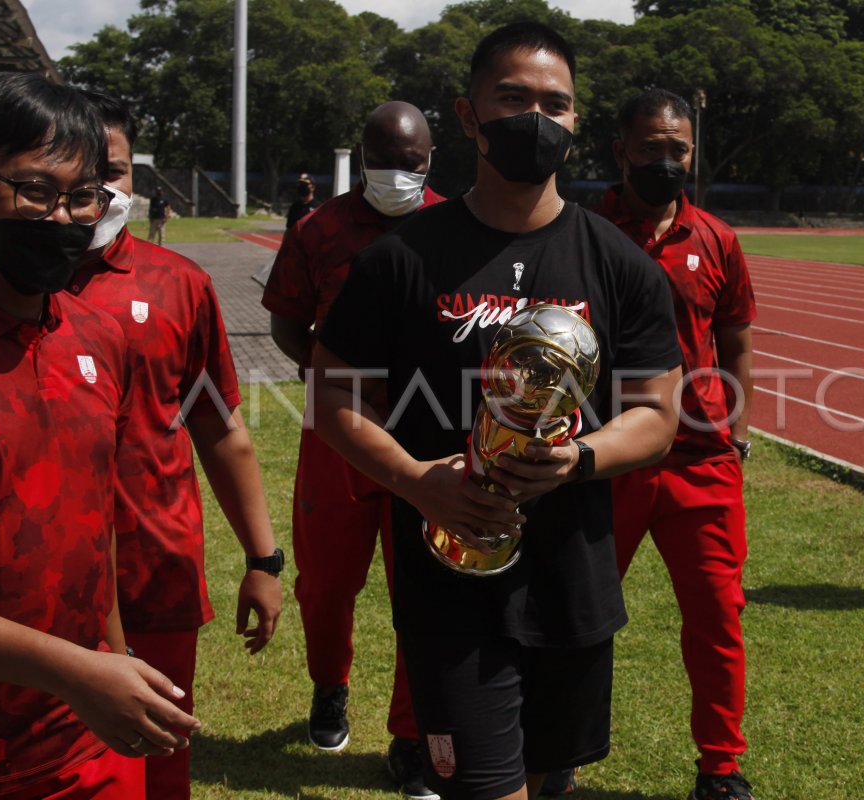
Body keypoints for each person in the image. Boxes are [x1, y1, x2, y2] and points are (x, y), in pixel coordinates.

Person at [310, 22, 683, 800]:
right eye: (512, 98)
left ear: (578, 123)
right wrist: (416, 478)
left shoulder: (622, 266)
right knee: (482, 788)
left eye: (557, 103)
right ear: (468, 113)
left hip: (573, 579)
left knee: (548, 785)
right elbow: (332, 400)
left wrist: (577, 460)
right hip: (450, 576)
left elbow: (657, 413)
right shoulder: (400, 259)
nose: (536, 118)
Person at [0, 71, 199, 798]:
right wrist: (73, 670)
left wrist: (109, 658)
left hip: (87, 741)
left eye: (83, 197)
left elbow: (91, 520)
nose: (63, 218)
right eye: (36, 192)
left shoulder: (95, 335)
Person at [71, 90, 284, 800]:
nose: (102, 187)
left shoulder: (178, 286)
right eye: (79, 168)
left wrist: (263, 558)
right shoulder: (5, 284)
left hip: (154, 572)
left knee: (157, 762)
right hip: (34, 588)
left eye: (117, 170)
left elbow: (220, 429)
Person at [263, 100, 444, 799]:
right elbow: (284, 317)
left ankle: (410, 736)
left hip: (424, 435)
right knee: (328, 584)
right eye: (386, 161)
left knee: (421, 589)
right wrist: (324, 379)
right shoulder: (321, 228)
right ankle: (329, 686)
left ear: (431, 161)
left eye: (413, 163)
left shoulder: (454, 226)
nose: (399, 174)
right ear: (361, 157)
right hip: (337, 436)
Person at [590, 88, 757, 800]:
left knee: (717, 619)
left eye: (678, 149)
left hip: (700, 459)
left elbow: (736, 336)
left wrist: (739, 429)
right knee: (580, 614)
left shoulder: (717, 238)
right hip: (605, 456)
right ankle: (559, 752)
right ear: (621, 149)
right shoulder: (583, 228)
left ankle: (719, 767)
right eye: (651, 148)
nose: (666, 161)